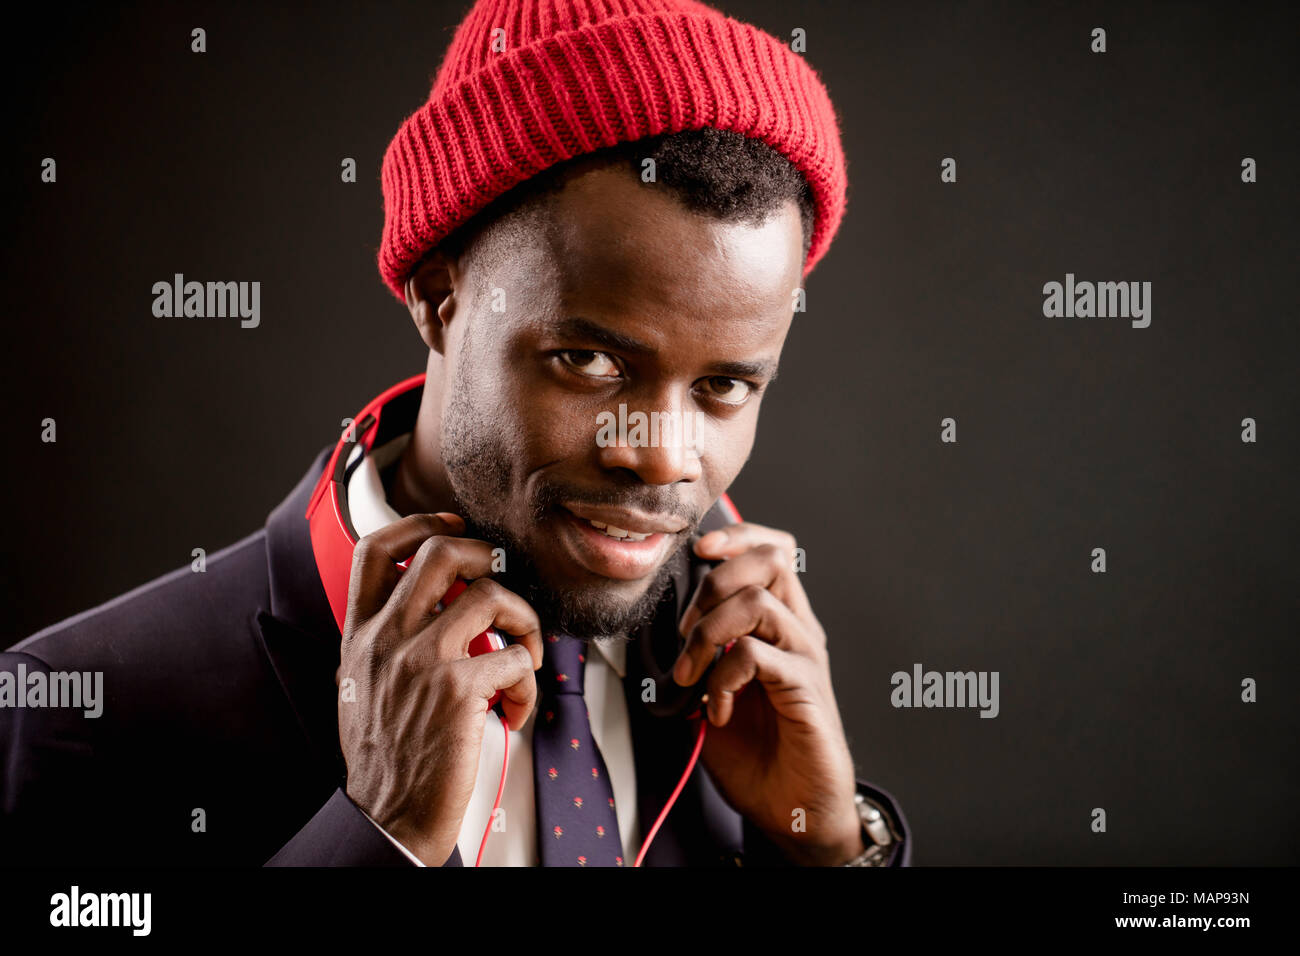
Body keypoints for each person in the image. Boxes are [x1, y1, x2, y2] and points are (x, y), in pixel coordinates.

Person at [0, 0, 910, 867]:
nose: (666, 455)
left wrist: (830, 847)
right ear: (438, 297)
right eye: (589, 361)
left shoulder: (739, 686)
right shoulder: (83, 708)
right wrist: (376, 840)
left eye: (723, 386)